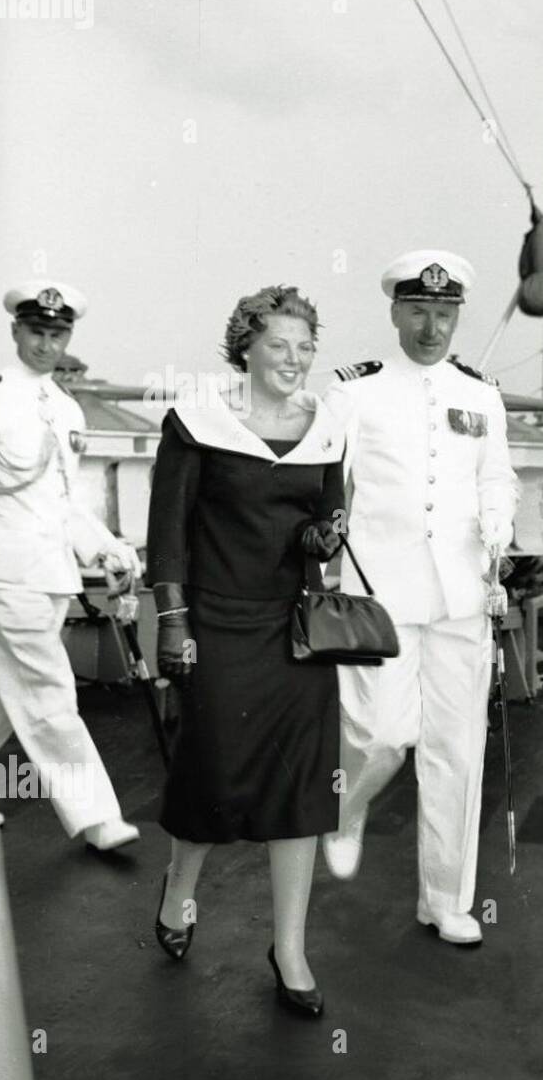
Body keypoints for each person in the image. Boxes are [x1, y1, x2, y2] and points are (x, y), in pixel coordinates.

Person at [146, 285, 345, 1017]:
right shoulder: (197, 423)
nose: (293, 361)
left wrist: (324, 536)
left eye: (304, 348)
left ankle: (289, 948)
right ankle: (178, 893)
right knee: (212, 772)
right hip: (215, 626)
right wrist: (172, 622)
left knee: (300, 786)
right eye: (278, 346)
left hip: (295, 633)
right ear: (247, 348)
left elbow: (322, 517)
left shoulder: (326, 428)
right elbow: (168, 534)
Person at [320, 250, 517, 946]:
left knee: (456, 751)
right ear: (395, 312)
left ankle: (445, 899)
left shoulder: (480, 396)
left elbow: (498, 477)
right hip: (380, 594)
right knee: (381, 734)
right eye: (418, 311)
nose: (431, 326)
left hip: (462, 593)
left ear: (456, 314)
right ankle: (347, 812)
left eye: (443, 313)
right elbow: (323, 482)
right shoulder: (357, 392)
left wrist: (500, 520)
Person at [0, 284, 142, 852]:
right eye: (37, 332)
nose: (46, 344)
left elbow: (66, 500)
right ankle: (97, 816)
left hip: (51, 572)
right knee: (50, 694)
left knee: (2, 697)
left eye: (57, 335)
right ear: (15, 331)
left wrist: (105, 549)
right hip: (5, 571)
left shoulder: (67, 407)